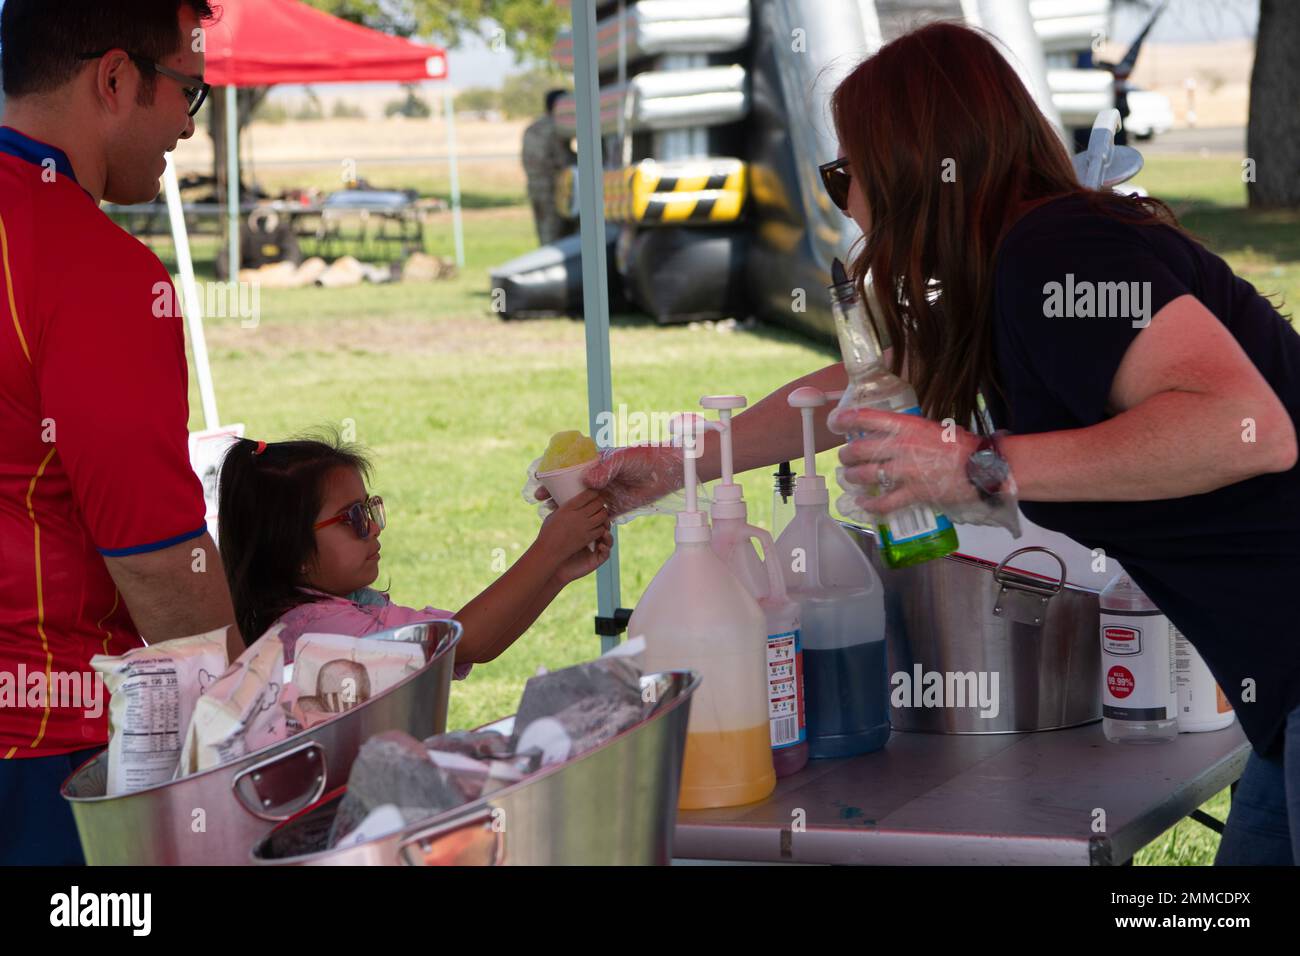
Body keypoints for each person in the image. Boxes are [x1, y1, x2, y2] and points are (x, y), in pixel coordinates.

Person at [565, 23, 1300, 865]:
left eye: (847, 176)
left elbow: (1243, 428)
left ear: (915, 169)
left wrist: (977, 468)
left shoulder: (1061, 253)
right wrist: (676, 466)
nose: (848, 201)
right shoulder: (1011, 274)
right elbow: (862, 385)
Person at [0, 0, 241, 866]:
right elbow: (157, 563)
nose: (186, 123)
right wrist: (249, 725)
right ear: (114, 78)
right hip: (45, 750)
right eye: (189, 90)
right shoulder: (91, 266)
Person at [217, 436, 611, 671]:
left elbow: (479, 641)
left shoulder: (339, 608)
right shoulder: (318, 631)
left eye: (369, 509)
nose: (373, 526)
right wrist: (548, 550)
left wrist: (556, 571)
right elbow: (465, 640)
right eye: (352, 517)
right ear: (292, 550)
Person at [521, 88, 575, 246]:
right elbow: (563, 161)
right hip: (554, 192)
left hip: (536, 190)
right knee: (558, 241)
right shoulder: (556, 128)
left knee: (545, 236)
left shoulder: (532, 128)